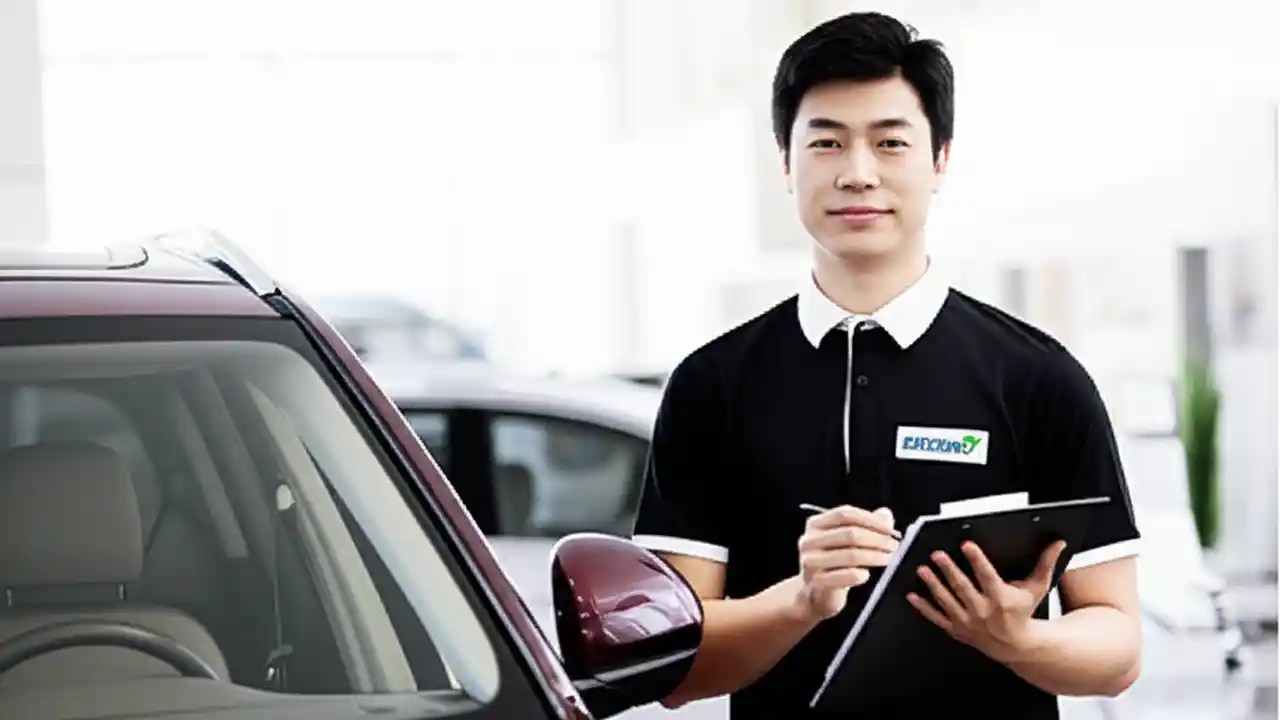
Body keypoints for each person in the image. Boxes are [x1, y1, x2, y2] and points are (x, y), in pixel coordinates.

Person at [629, 11, 1142, 718]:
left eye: (890, 142)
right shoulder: (711, 385)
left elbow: (1117, 648)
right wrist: (799, 601)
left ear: (940, 161)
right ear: (785, 162)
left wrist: (1016, 638)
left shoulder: (1037, 378)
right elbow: (675, 673)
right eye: (827, 142)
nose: (858, 172)